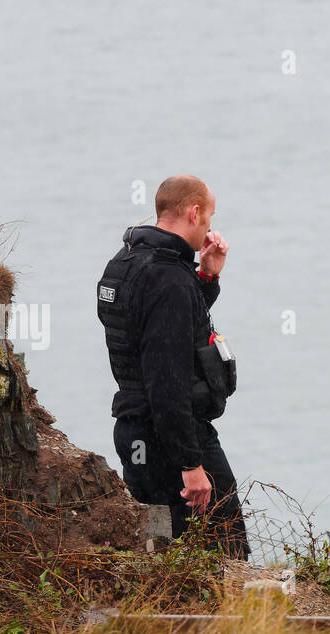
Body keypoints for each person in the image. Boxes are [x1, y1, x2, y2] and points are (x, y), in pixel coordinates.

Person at [97, 174, 249, 557]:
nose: (209, 229)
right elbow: (168, 383)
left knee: (162, 552)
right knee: (225, 551)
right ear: (194, 212)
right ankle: (232, 619)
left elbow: (166, 327)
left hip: (134, 433)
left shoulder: (125, 262)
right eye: (209, 219)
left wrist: (207, 275)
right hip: (171, 438)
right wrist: (190, 464)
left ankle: (162, 615)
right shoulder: (168, 278)